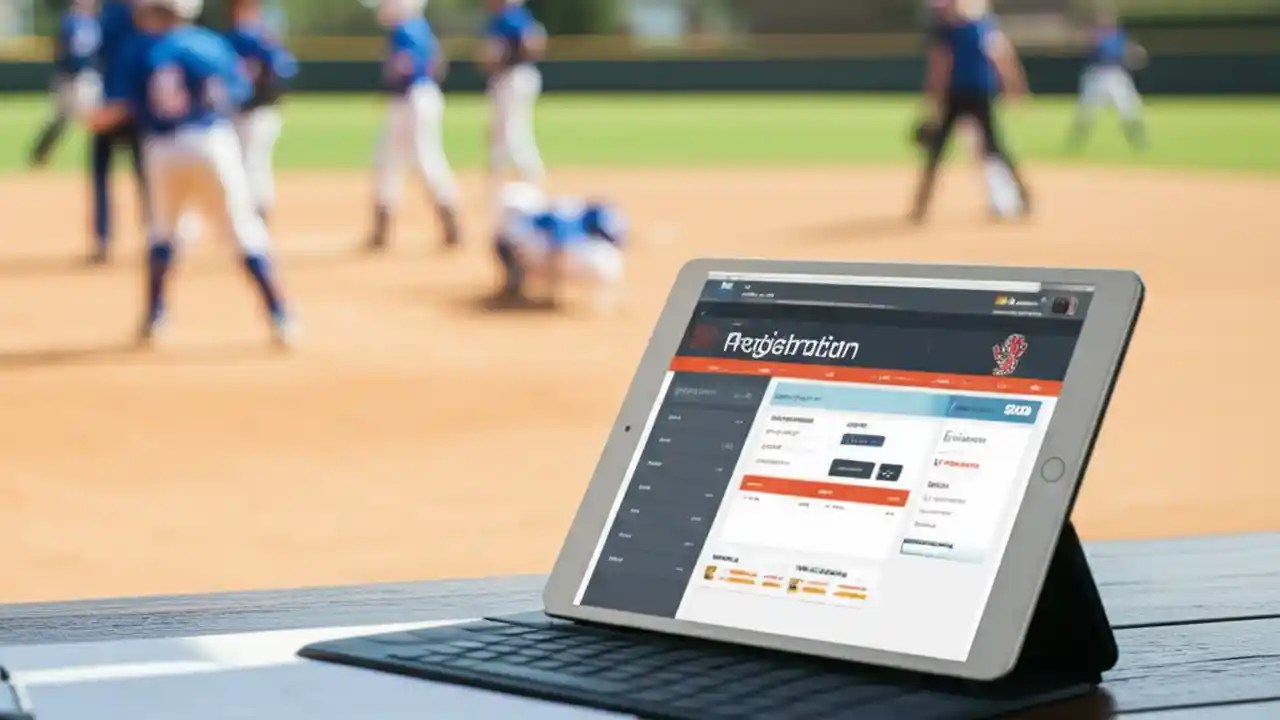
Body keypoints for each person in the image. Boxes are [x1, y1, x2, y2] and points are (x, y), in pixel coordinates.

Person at [86, 0, 296, 347]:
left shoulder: (139, 47)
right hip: (212, 143)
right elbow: (238, 92)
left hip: (162, 150)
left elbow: (119, 107)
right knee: (242, 229)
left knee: (162, 232)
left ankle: (155, 316)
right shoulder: (211, 43)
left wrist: (92, 118)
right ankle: (280, 315)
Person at [911, 0, 1031, 223]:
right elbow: (1003, 58)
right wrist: (1013, 86)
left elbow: (940, 65)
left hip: (959, 95)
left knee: (939, 150)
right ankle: (1025, 196)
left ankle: (920, 206)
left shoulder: (948, 32)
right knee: (995, 147)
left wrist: (932, 99)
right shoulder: (983, 26)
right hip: (979, 93)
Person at [367, 0, 461, 251]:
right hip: (418, 97)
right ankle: (383, 228)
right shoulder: (421, 27)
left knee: (419, 158)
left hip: (410, 100)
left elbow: (404, 64)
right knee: (391, 159)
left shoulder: (405, 29)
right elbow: (437, 63)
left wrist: (389, 85)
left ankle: (450, 221)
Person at [494, 182, 627, 312]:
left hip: (586, 264)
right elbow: (618, 238)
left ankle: (549, 291)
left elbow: (560, 246)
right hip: (610, 261)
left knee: (543, 256)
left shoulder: (532, 221)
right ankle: (599, 300)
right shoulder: (571, 207)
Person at [226, 0, 298, 223]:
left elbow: (286, 68)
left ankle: (256, 216)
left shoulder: (236, 39)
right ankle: (254, 216)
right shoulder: (258, 39)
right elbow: (286, 68)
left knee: (250, 163)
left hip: (256, 112)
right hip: (249, 112)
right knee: (249, 164)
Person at [90, 0, 150, 264]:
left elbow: (95, 57)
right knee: (145, 176)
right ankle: (155, 236)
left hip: (111, 104)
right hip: (134, 106)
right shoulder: (143, 13)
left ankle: (104, 239)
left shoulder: (109, 13)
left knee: (104, 174)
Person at [480, 0, 546, 189]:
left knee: (511, 133)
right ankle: (500, 182)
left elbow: (529, 43)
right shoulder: (520, 15)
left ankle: (531, 179)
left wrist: (499, 59)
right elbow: (535, 42)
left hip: (513, 77)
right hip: (518, 76)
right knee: (503, 133)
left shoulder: (508, 17)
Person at [29, 0, 101, 168]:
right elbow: (62, 49)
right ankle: (40, 154)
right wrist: (66, 72)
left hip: (87, 77)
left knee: (95, 117)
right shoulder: (69, 22)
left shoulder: (95, 22)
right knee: (61, 119)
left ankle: (99, 158)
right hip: (68, 77)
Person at [1068, 10, 1147, 151]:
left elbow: (1125, 52)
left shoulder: (1119, 36)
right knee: (1085, 111)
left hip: (1116, 74)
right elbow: (1091, 47)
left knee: (1129, 109)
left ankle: (1137, 141)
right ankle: (1075, 142)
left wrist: (1133, 53)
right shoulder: (1095, 36)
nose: (1107, 22)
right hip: (1097, 75)